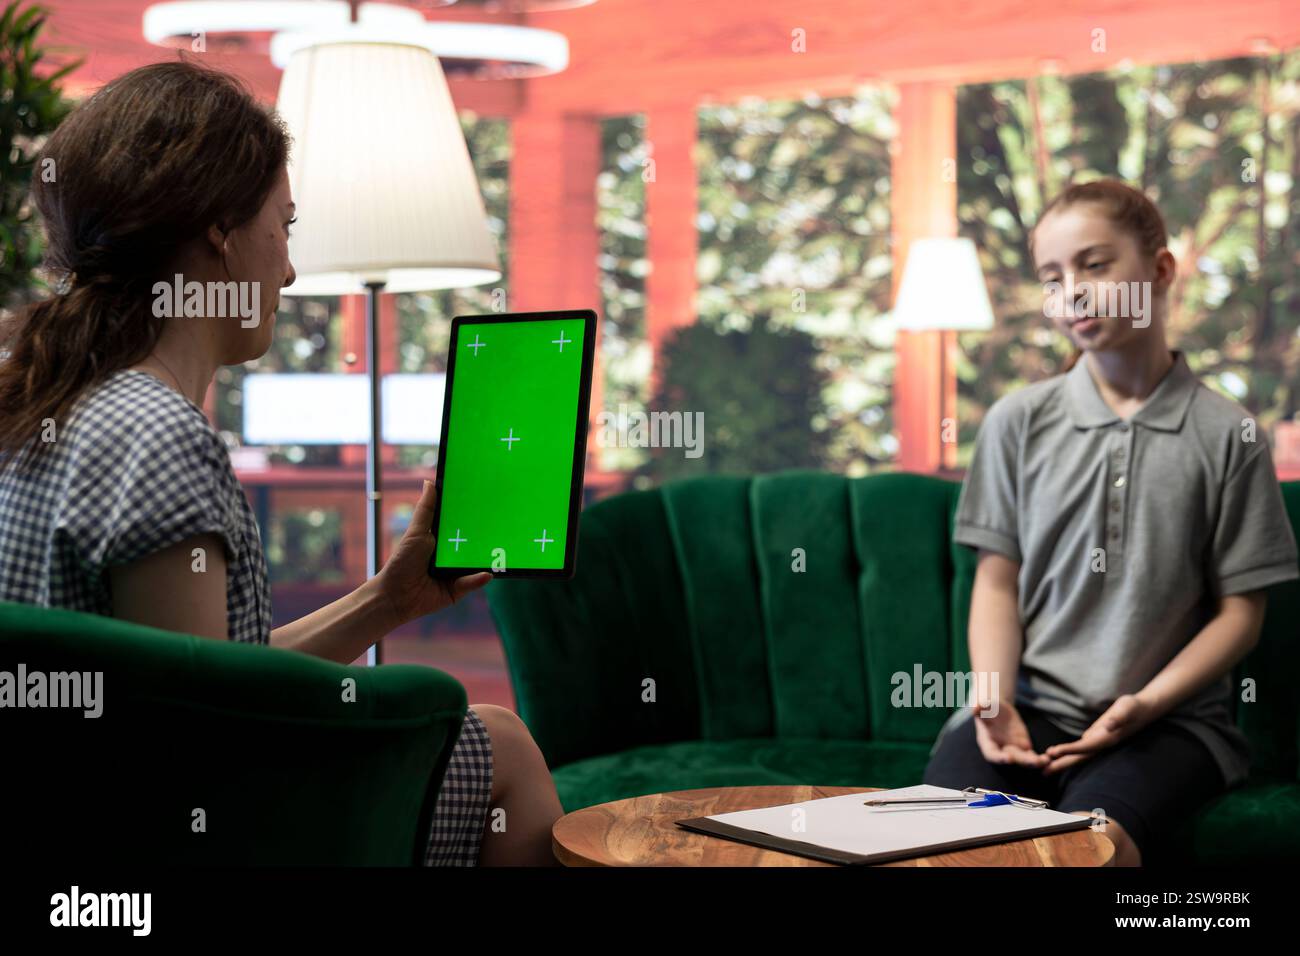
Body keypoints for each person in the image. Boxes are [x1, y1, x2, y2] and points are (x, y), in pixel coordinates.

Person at [0, 59, 563, 866]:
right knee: (502, 744)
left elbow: (209, 682)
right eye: (285, 226)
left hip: (68, 830)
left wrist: (385, 600)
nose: (291, 270)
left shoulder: (40, 402)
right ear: (221, 234)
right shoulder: (156, 435)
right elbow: (205, 744)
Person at [922, 178, 1299, 866]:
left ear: (1159, 270)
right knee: (943, 850)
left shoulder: (1229, 433)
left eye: (1095, 265)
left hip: (1169, 728)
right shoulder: (1016, 422)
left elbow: (1241, 614)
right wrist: (990, 698)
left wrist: (1141, 707)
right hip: (1029, 715)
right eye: (1053, 275)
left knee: (1085, 856)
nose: (1073, 290)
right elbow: (996, 584)